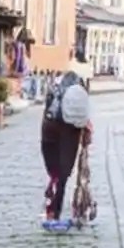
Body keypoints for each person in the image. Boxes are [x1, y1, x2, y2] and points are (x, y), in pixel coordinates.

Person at [40, 68, 92, 224]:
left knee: (56, 172)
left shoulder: (54, 90)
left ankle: (53, 205)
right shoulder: (80, 93)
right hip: (70, 130)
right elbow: (84, 118)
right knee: (64, 173)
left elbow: (47, 114)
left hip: (50, 128)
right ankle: (55, 211)